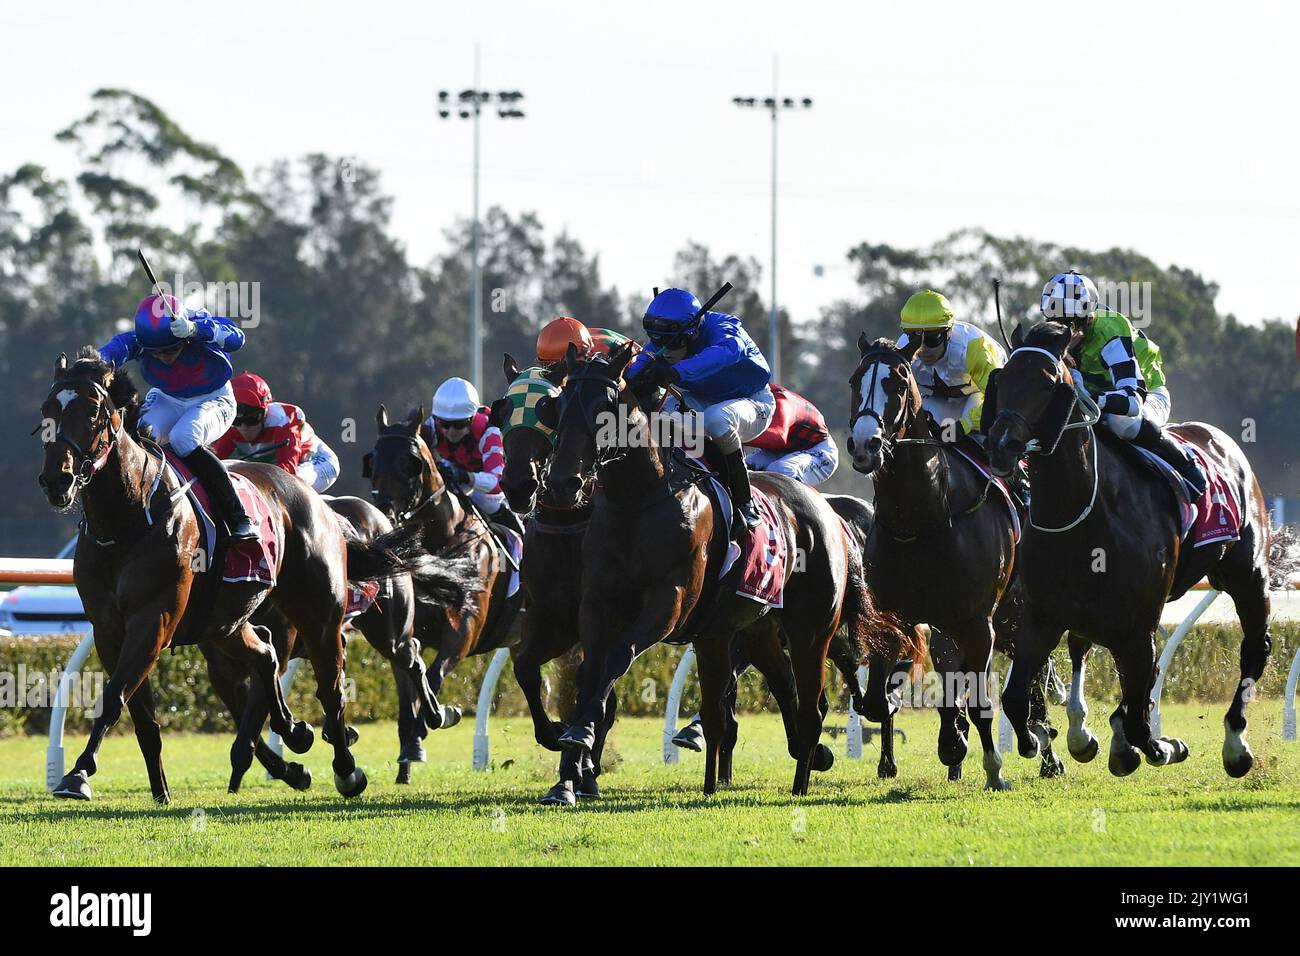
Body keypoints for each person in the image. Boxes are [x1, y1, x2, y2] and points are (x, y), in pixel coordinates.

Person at [99, 293, 257, 540]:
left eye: (172, 348)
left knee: (183, 437)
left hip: (213, 398)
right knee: (141, 436)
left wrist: (195, 330)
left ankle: (239, 516)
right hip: (168, 398)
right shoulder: (142, 339)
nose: (165, 356)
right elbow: (115, 349)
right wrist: (90, 364)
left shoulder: (193, 322)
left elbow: (237, 338)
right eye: (156, 352)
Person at [1040, 271, 1206, 496]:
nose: (1065, 332)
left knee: (1121, 423)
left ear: (1088, 316)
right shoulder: (1050, 337)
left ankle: (1185, 464)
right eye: (1057, 322)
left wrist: (1085, 397)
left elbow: (1132, 402)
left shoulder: (1110, 332)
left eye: (1070, 323)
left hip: (1146, 394)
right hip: (1094, 398)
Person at [625, 288, 774, 532]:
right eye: (656, 339)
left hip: (754, 403)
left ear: (692, 332)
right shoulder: (664, 340)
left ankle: (744, 501)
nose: (664, 349)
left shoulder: (724, 327)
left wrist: (676, 371)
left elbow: (727, 351)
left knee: (717, 419)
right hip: (700, 399)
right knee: (656, 418)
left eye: (670, 342)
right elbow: (634, 373)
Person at [423, 377, 523, 537]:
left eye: (459, 424)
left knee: (485, 501)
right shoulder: (431, 427)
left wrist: (464, 476)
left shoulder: (491, 432)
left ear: (472, 418)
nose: (451, 431)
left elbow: (497, 483)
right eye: (445, 424)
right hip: (454, 479)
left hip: (488, 491)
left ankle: (519, 541)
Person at [897, 289, 1005, 438]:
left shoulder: (973, 348)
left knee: (977, 437)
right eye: (914, 339)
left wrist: (964, 425)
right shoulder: (902, 349)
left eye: (931, 338)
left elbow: (998, 397)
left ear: (948, 332)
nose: (922, 348)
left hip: (979, 396)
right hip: (937, 399)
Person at [211, 372, 340, 493]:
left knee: (291, 482)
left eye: (252, 418)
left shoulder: (283, 422)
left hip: (317, 463)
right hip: (275, 470)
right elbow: (214, 462)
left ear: (265, 411)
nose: (244, 427)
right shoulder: (231, 428)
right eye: (237, 420)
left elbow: (286, 470)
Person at [744, 384, 839, 486]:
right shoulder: (758, 392)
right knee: (742, 466)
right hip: (783, 449)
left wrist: (733, 437)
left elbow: (778, 437)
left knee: (781, 470)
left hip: (817, 449)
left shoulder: (781, 400)